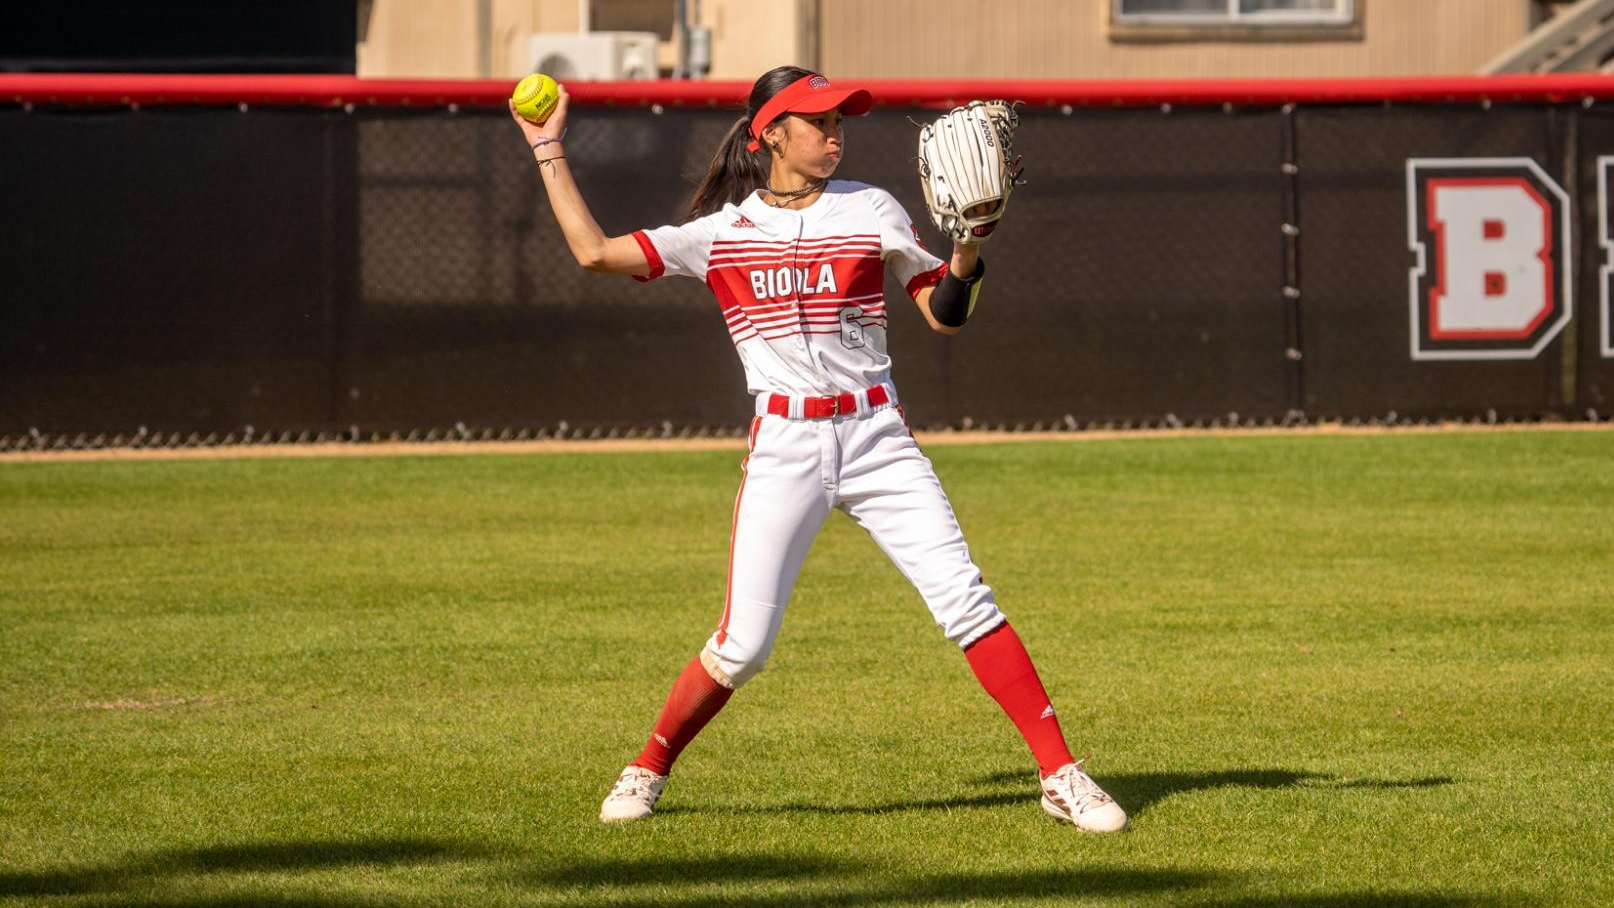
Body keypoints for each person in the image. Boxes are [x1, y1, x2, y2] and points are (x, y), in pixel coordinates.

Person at [508, 66, 1127, 833]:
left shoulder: (871, 209)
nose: (835, 134)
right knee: (742, 648)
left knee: (966, 601)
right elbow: (594, 254)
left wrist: (966, 252)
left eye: (840, 121)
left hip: (877, 438)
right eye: (818, 122)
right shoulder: (720, 234)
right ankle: (648, 766)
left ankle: (1062, 775)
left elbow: (944, 315)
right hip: (785, 445)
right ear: (771, 133)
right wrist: (548, 147)